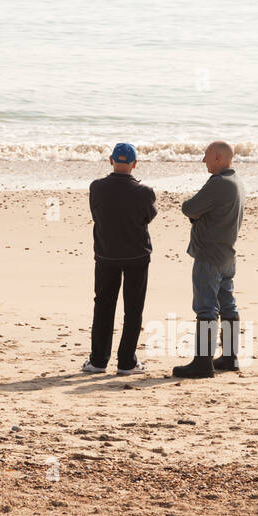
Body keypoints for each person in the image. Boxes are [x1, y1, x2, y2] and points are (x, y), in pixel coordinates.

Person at [82, 143, 157, 375]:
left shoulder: (97, 187)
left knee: (103, 306)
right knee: (133, 309)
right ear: (134, 164)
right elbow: (148, 216)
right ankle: (126, 362)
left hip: (106, 253)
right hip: (136, 254)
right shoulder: (144, 191)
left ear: (111, 160)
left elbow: (96, 214)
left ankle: (98, 361)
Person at [173, 140, 245, 379]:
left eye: (206, 155)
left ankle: (203, 364)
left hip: (210, 255)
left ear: (217, 157)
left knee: (205, 307)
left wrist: (194, 215)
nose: (203, 160)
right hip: (227, 253)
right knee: (228, 305)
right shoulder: (236, 182)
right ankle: (230, 356)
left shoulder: (219, 183)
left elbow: (190, 208)